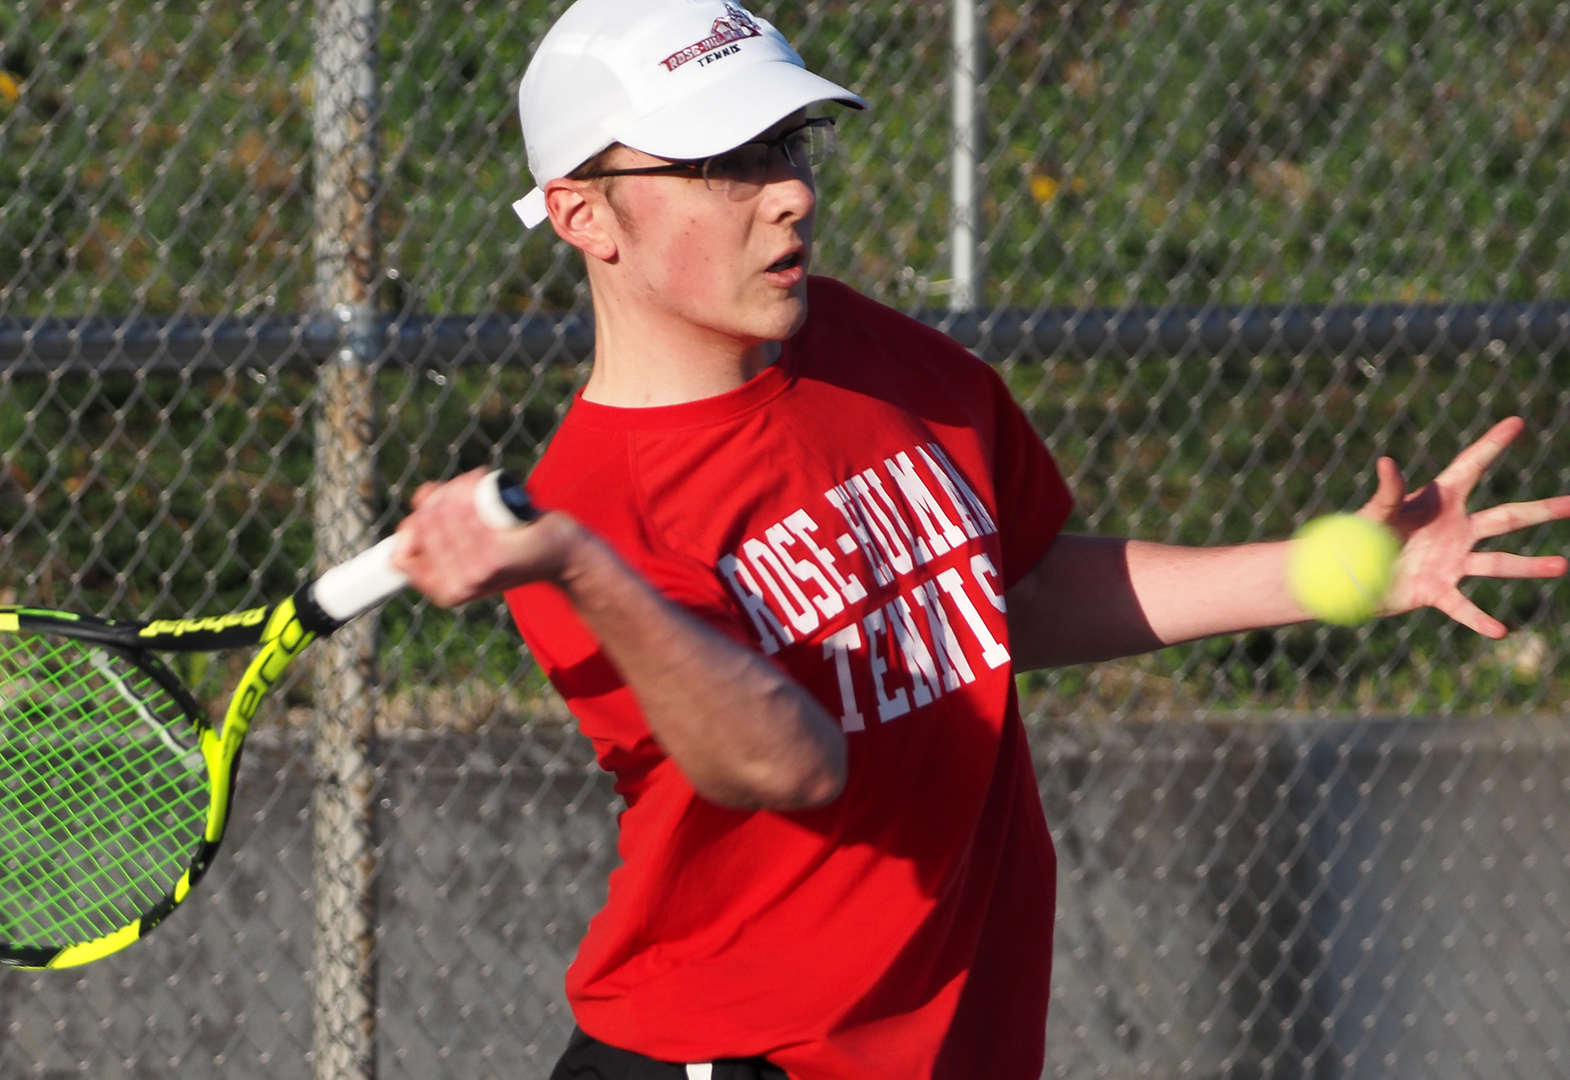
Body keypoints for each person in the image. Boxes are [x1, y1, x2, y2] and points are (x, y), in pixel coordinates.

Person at [386, 1, 1570, 1076]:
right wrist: (583, 564)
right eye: (722, 165)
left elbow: (1015, 595)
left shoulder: (878, 354)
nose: (789, 191)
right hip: (744, 1059)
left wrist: (1326, 574)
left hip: (956, 1040)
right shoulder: (590, 514)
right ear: (587, 215)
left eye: (788, 146)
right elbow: (781, 765)